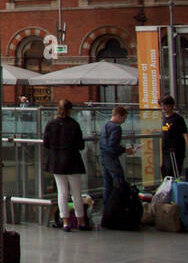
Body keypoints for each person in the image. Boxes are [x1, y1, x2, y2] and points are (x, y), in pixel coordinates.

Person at [43, 98, 89, 231]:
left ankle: (65, 222)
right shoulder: (74, 124)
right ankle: (80, 221)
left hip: (56, 161)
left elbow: (46, 143)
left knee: (62, 192)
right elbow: (81, 145)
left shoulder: (51, 124)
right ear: (70, 110)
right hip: (73, 161)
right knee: (76, 193)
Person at [99, 104, 131, 201]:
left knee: (107, 184)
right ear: (118, 116)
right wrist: (125, 150)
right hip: (111, 158)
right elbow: (112, 145)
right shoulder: (116, 128)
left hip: (103, 156)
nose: (123, 121)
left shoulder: (105, 125)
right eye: (123, 118)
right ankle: (120, 205)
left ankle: (107, 208)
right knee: (119, 181)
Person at [159, 95, 188, 178]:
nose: (163, 107)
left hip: (175, 151)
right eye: (162, 105)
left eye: (165, 105)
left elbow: (185, 134)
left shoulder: (177, 119)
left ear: (171, 106)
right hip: (165, 152)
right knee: (165, 173)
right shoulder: (164, 118)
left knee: (173, 174)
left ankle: (176, 190)